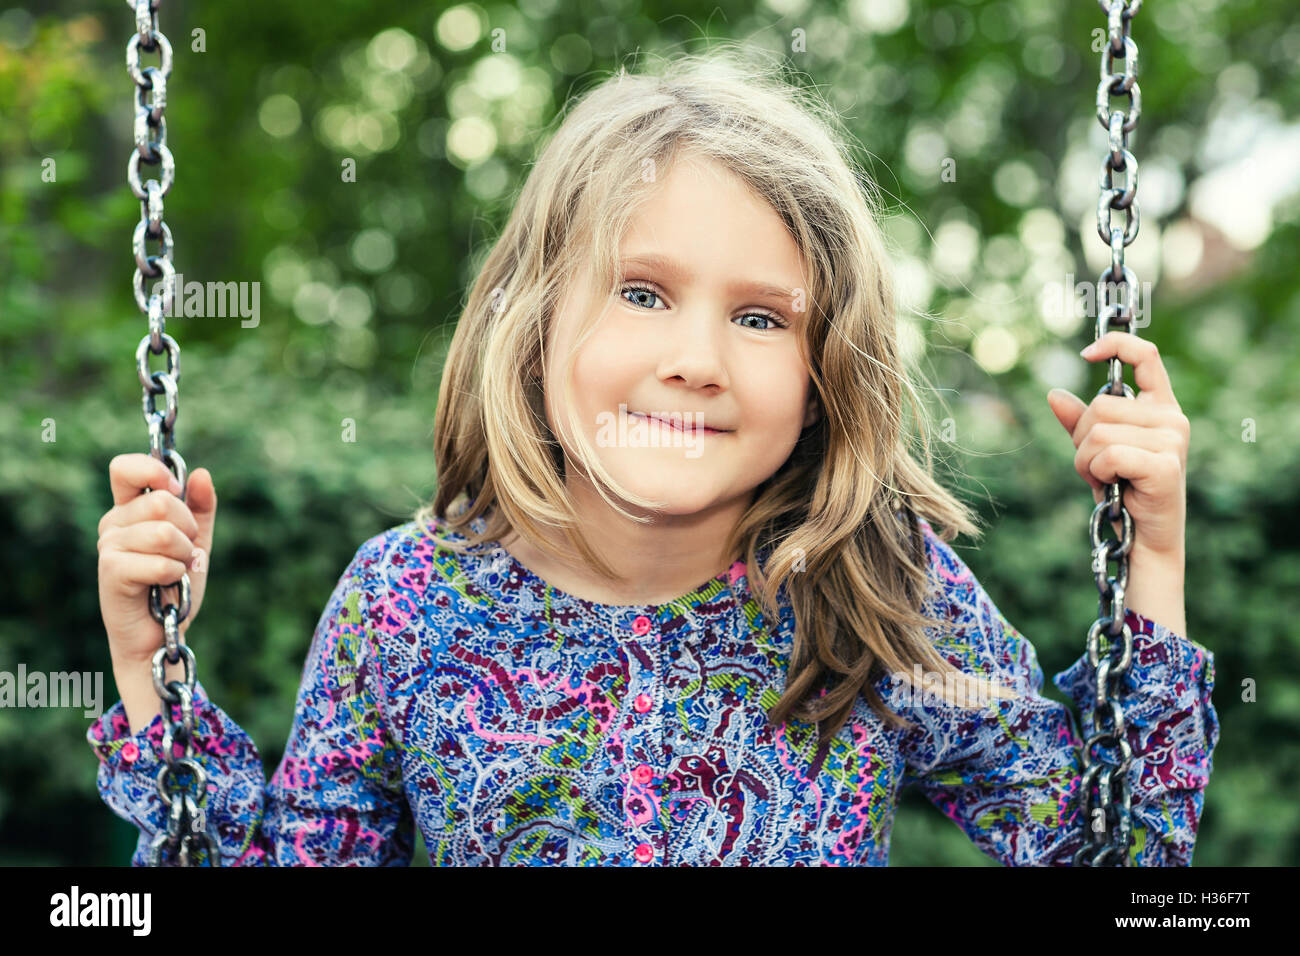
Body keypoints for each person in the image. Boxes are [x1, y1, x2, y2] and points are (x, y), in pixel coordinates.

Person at [90, 47, 1219, 866]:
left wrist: (1152, 550)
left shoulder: (871, 584)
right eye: (641, 293)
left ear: (826, 372)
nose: (696, 358)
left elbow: (1116, 861)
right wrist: (150, 668)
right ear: (530, 326)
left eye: (763, 317)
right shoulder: (404, 603)